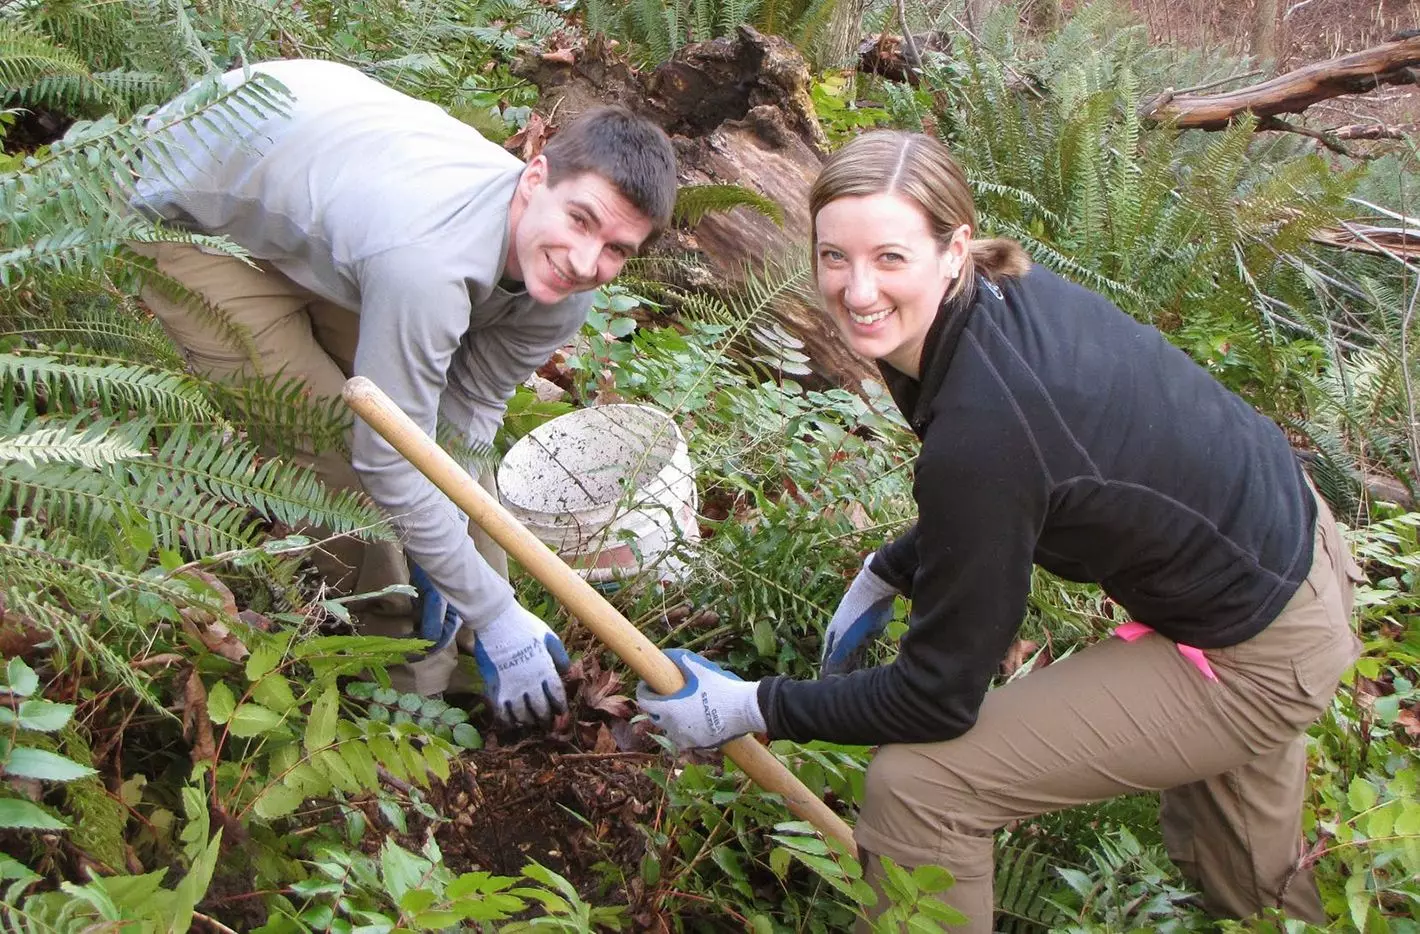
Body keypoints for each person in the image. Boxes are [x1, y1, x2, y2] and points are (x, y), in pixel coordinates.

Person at [635, 130, 1361, 930]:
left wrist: (754, 704)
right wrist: (895, 566)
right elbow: (1039, 477)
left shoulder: (984, 426)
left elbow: (936, 701)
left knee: (921, 789)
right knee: (1250, 888)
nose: (856, 288)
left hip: (1255, 649)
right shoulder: (1000, 302)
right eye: (833, 257)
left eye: (889, 258)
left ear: (955, 249)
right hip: (1288, 551)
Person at [130, 59, 678, 725]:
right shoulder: (425, 265)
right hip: (196, 210)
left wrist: (469, 574)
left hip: (317, 202)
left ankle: (491, 669)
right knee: (341, 452)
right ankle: (387, 690)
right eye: (582, 220)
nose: (588, 262)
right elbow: (388, 456)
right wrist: (485, 600)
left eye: (617, 249)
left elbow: (464, 419)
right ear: (534, 179)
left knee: (447, 479)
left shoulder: (562, 294)